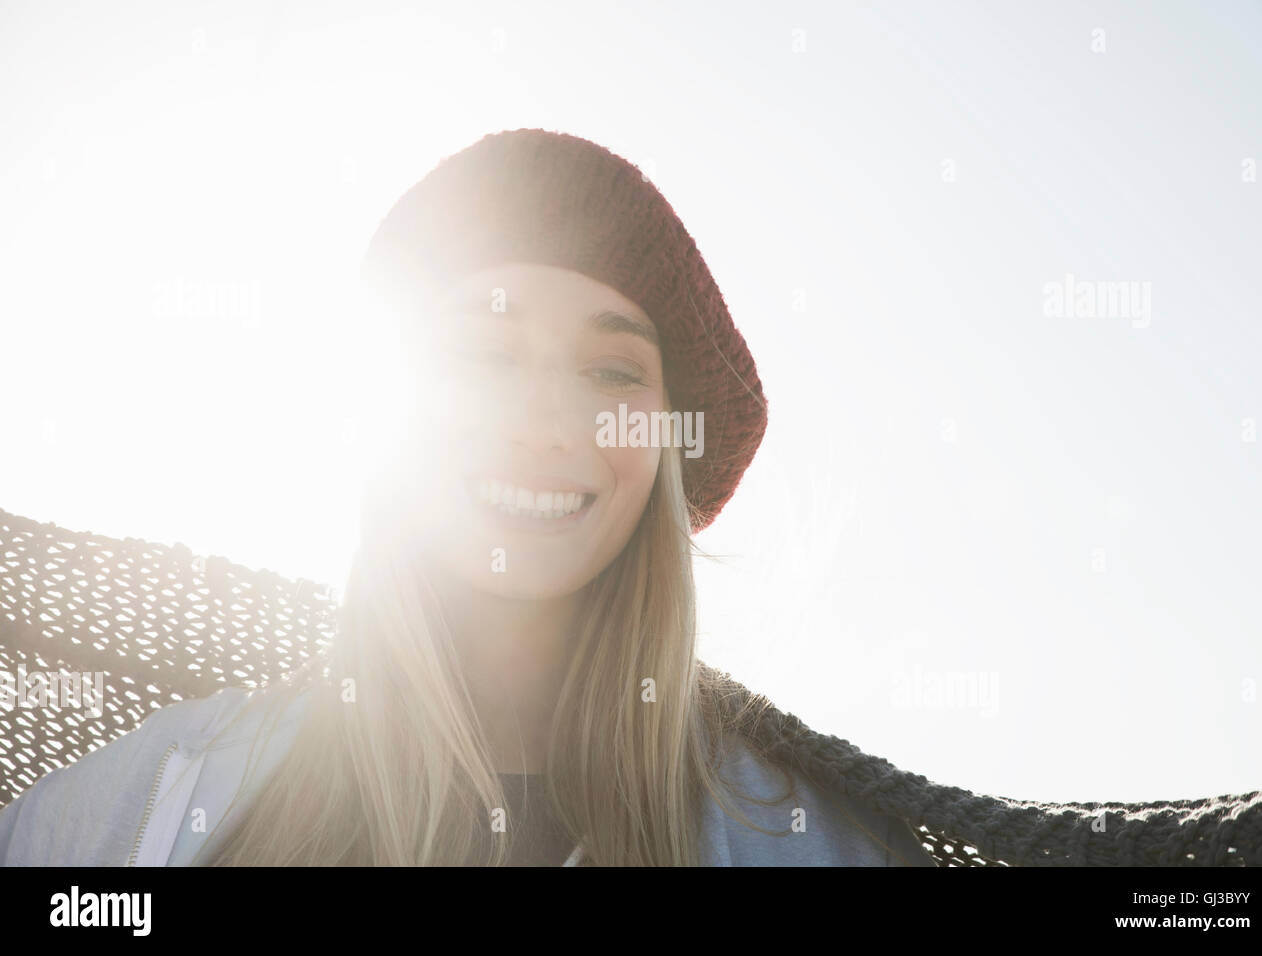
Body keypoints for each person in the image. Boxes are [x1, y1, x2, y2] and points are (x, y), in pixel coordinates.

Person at [0, 128, 935, 867]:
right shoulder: (155, 796)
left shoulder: (821, 844)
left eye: (613, 370)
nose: (546, 425)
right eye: (483, 356)